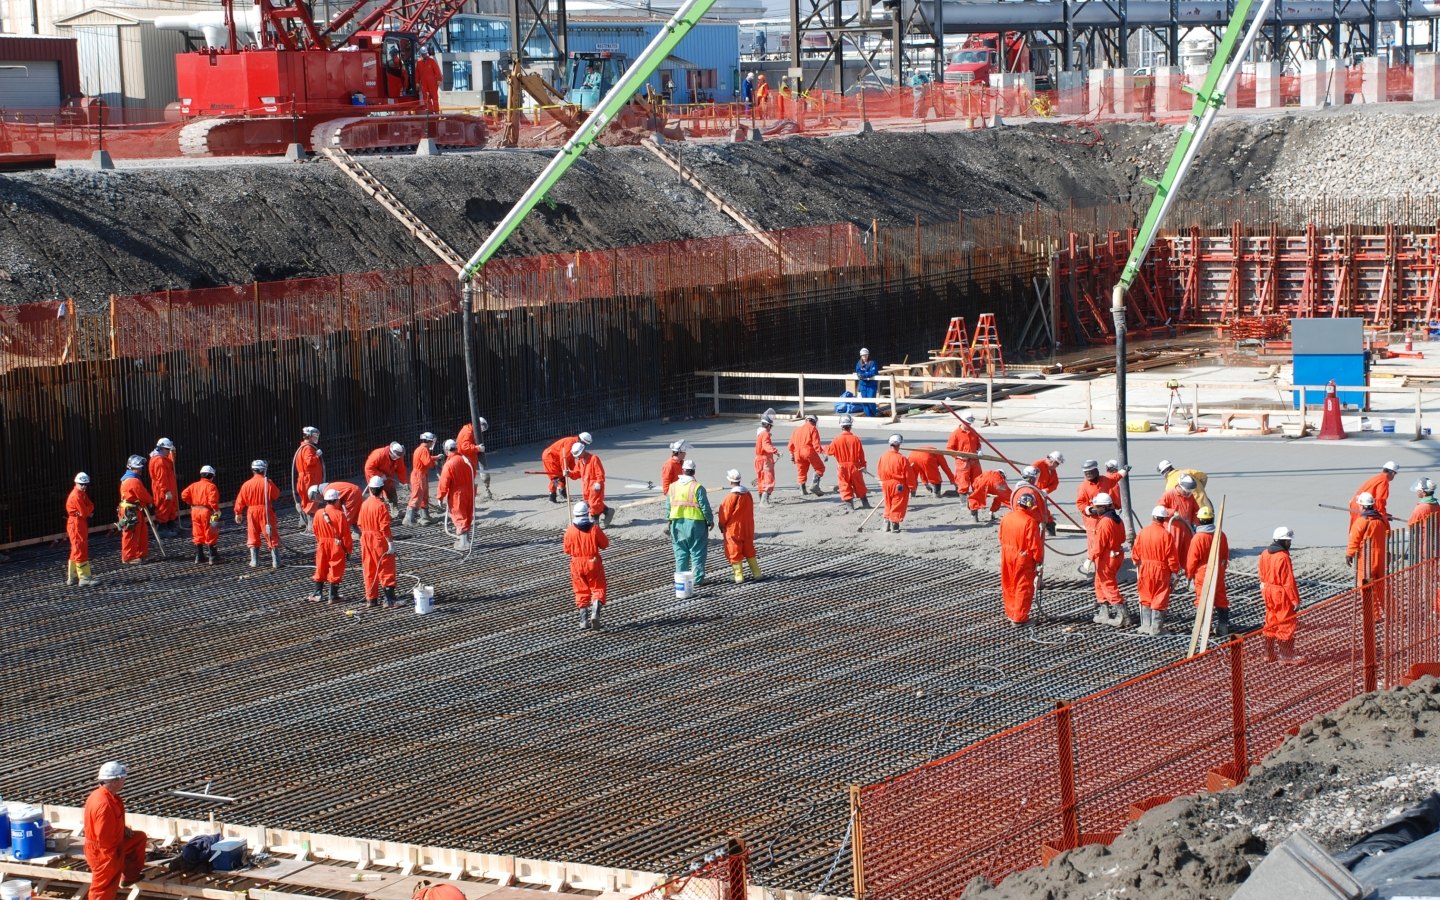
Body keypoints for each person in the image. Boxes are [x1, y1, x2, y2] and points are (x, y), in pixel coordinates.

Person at [84, 761, 148, 900]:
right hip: (104, 852)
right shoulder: (104, 804)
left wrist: (122, 829)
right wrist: (114, 857)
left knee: (139, 838)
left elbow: (108, 823)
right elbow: (104, 838)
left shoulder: (105, 796)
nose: (124, 781)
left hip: (110, 845)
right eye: (122, 778)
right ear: (114, 781)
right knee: (103, 888)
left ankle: (130, 876)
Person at [1260, 526, 1306, 664]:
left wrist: (1265, 590)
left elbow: (1261, 574)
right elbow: (1288, 581)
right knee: (1286, 622)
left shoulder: (1265, 553)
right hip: (1280, 593)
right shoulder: (1283, 557)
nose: (1290, 543)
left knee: (1271, 620)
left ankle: (1268, 654)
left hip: (1268, 591)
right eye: (1288, 541)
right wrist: (1295, 600)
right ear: (1283, 541)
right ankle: (1286, 656)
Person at [1131, 506, 1180, 636]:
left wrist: (1136, 561)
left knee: (1146, 595)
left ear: (1153, 517)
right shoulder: (1166, 535)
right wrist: (1174, 571)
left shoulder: (1143, 532)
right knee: (1160, 596)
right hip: (1160, 570)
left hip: (1145, 568)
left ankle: (1145, 626)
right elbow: (1172, 556)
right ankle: (1156, 629)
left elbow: (1135, 552)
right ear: (1164, 519)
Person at [667, 458, 714, 588]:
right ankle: (697, 578)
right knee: (697, 551)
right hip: (696, 524)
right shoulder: (697, 487)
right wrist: (710, 520)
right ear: (694, 471)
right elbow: (705, 507)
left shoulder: (673, 486)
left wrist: (669, 520)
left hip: (677, 523)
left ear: (683, 470)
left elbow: (668, 506)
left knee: (680, 552)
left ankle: (681, 578)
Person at [999, 493, 1045, 625]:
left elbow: (1001, 537)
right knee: (1023, 586)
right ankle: (1020, 618)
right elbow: (1035, 545)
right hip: (1022, 557)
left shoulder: (1006, 517)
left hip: (1006, 554)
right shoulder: (1029, 521)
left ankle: (1011, 613)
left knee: (1009, 583)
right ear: (1030, 506)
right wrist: (1038, 561)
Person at [564, 500, 610, 630]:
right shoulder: (594, 529)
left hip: (576, 564)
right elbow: (605, 544)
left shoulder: (570, 531)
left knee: (581, 591)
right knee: (598, 587)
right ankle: (595, 610)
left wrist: (570, 535)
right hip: (593, 562)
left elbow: (567, 550)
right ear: (587, 513)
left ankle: (583, 620)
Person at [1187, 505, 1231, 637]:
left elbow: (1192, 560)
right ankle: (1223, 627)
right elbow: (1225, 556)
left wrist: (1189, 575)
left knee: (1203, 601)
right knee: (1221, 599)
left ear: (1199, 520)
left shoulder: (1198, 538)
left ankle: (1204, 629)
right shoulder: (1221, 535)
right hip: (1218, 572)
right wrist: (1221, 570)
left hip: (1203, 574)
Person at [359, 475, 400, 609]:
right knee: (386, 567)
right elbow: (384, 528)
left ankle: (371, 599)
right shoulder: (381, 506)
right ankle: (390, 600)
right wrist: (390, 543)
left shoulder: (364, 504)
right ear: (382, 489)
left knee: (369, 569)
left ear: (370, 489)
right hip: (378, 540)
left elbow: (359, 524)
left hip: (365, 539)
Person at [1347, 491, 1389, 621]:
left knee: (1367, 587)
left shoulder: (1361, 522)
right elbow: (1388, 534)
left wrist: (1349, 554)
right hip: (1381, 558)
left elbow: (1354, 539)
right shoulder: (1382, 519)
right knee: (1381, 586)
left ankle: (1374, 615)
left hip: (1366, 559)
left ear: (1362, 506)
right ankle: (1390, 612)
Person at [1088, 493, 1128, 627]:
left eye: (1097, 507)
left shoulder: (1105, 522)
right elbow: (1123, 538)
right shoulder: (1117, 519)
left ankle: (1122, 615)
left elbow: (1099, 544)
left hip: (1107, 557)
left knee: (1107, 584)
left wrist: (1090, 557)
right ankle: (1104, 613)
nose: (1095, 509)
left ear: (1104, 507)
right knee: (1099, 582)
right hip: (1116, 554)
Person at [308, 489, 353, 604]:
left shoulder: (318, 513)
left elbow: (315, 530)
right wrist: (348, 550)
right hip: (336, 545)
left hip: (322, 544)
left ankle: (317, 593)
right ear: (336, 500)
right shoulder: (340, 515)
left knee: (321, 566)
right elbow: (346, 535)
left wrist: (320, 542)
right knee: (336, 568)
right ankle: (333, 596)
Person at [235, 459, 281, 569]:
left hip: (251, 512)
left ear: (253, 470)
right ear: (263, 470)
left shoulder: (246, 485)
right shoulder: (267, 482)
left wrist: (238, 513)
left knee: (253, 534)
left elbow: (240, 500)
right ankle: (276, 562)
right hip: (266, 511)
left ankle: (255, 561)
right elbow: (276, 495)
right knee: (271, 535)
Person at [718, 468, 761, 583]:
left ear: (730, 481)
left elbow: (725, 513)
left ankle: (738, 576)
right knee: (749, 548)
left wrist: (721, 524)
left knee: (734, 550)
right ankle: (757, 573)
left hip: (734, 528)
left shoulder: (731, 496)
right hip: (748, 526)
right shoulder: (747, 494)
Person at [1159, 473, 1200, 586]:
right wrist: (1172, 512)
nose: (1187, 494)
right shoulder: (1169, 495)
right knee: (1173, 555)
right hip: (1173, 530)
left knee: (1189, 554)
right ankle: (1171, 579)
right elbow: (1159, 509)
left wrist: (1197, 523)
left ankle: (1190, 578)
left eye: (1190, 492)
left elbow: (1195, 511)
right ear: (1180, 486)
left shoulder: (1190, 496)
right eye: (1186, 491)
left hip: (1187, 529)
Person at [824, 413, 869, 511]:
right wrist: (863, 466)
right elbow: (861, 455)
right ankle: (865, 504)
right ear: (850, 425)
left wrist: (825, 448)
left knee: (844, 485)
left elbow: (829, 451)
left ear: (841, 426)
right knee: (859, 485)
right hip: (855, 466)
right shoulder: (856, 439)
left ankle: (850, 507)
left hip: (842, 467)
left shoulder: (836, 439)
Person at [436, 439, 475, 550]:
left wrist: (440, 497)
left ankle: (464, 543)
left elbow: (444, 483)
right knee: (467, 515)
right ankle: (466, 539)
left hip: (457, 494)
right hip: (470, 491)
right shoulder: (466, 459)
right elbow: (474, 473)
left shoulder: (449, 464)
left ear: (446, 450)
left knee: (459, 516)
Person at [179, 465, 221, 566]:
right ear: (212, 476)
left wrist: (192, 503)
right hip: (207, 511)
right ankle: (213, 557)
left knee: (197, 532)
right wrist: (216, 511)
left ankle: (199, 556)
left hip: (195, 511)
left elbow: (184, 495)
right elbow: (212, 501)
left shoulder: (193, 485)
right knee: (211, 531)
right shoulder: (211, 486)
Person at [877, 434, 918, 532]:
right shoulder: (901, 458)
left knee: (888, 503)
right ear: (899, 444)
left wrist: (882, 481)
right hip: (898, 485)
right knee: (898, 504)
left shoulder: (883, 456)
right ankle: (894, 525)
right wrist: (912, 487)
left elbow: (879, 470)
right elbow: (909, 475)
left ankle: (886, 522)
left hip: (886, 484)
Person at [117, 455, 154, 565]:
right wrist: (151, 501)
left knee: (141, 531)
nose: (141, 469)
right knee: (131, 533)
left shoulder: (128, 479)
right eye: (139, 467)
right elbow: (142, 495)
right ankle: (128, 557)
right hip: (130, 511)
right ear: (133, 467)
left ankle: (140, 554)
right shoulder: (133, 481)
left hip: (134, 509)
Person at [569, 439, 613, 527]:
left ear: (583, 451)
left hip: (595, 486)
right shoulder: (580, 462)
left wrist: (599, 482)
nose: (577, 457)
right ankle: (608, 511)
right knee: (590, 504)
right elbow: (576, 474)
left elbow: (600, 472)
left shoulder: (594, 458)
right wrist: (569, 474)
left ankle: (595, 525)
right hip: (586, 486)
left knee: (594, 504)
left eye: (578, 455)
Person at [66, 472, 98, 586]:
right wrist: (87, 512)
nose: (84, 486)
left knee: (76, 549)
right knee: (80, 548)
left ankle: (73, 577)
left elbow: (90, 505)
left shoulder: (81, 493)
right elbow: (85, 512)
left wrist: (86, 511)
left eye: (86, 484)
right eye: (82, 484)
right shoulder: (76, 496)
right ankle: (84, 578)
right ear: (76, 483)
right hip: (76, 524)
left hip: (79, 523)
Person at [542, 431, 590, 503]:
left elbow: (570, 460)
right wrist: (565, 470)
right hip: (549, 457)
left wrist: (577, 472)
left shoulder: (574, 444)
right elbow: (564, 458)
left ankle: (562, 493)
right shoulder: (570, 443)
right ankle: (553, 495)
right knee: (556, 478)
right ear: (581, 441)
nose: (584, 446)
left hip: (556, 458)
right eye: (585, 444)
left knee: (560, 477)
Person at [787, 414, 827, 496]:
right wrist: (823, 453)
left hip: (797, 453)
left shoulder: (797, 430)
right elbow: (816, 444)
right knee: (820, 468)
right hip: (808, 451)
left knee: (801, 471)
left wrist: (792, 454)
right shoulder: (813, 428)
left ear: (806, 420)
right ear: (814, 421)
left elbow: (790, 445)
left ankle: (802, 489)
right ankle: (814, 485)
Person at [405, 432, 438, 526]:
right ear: (429, 441)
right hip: (418, 475)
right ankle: (408, 519)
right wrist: (434, 463)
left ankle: (425, 517)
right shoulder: (423, 450)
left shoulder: (422, 449)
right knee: (416, 496)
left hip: (422, 474)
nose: (432, 443)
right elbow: (427, 463)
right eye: (432, 441)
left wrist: (435, 457)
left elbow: (426, 459)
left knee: (424, 496)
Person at [148, 438, 179, 537]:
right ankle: (162, 529)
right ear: (160, 448)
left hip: (168, 487)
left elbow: (170, 462)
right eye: (167, 449)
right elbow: (161, 478)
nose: (168, 451)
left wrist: (173, 453)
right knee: (163, 507)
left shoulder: (162, 458)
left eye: (169, 449)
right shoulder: (159, 461)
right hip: (163, 489)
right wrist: (166, 491)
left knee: (170, 507)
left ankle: (170, 525)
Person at [293, 426, 324, 522]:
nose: (316, 437)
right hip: (310, 478)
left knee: (306, 500)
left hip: (304, 478)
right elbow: (309, 461)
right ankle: (311, 524)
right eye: (314, 435)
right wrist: (317, 455)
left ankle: (303, 521)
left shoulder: (302, 447)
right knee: (312, 499)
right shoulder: (308, 448)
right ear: (310, 436)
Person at [1013, 466, 1055, 536]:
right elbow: (1039, 509)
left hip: (1016, 519)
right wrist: (1047, 521)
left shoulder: (1017, 489)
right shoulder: (1032, 492)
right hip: (1030, 522)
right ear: (1031, 478)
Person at [945, 413, 981, 494]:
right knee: (963, 482)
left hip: (974, 460)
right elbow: (949, 449)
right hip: (962, 462)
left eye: (970, 423)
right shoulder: (955, 434)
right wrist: (959, 456)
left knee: (978, 481)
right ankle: (963, 500)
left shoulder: (973, 432)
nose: (969, 425)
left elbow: (978, 444)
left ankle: (977, 500)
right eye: (967, 423)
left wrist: (979, 450)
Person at [364, 442, 408, 507]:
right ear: (390, 452)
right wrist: (380, 475)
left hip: (388, 475)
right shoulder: (378, 455)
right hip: (374, 476)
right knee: (377, 495)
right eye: (395, 457)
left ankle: (394, 507)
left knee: (391, 491)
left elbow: (401, 470)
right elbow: (368, 468)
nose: (397, 458)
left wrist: (404, 482)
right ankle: (378, 507)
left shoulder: (399, 456)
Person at [456, 418, 490, 497]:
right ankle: (468, 495)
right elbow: (465, 447)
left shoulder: (469, 430)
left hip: (467, 458)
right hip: (465, 459)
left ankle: (470, 494)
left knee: (469, 478)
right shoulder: (468, 432)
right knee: (468, 478)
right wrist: (477, 448)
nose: (481, 432)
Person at [753, 410, 779, 505]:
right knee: (769, 479)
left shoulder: (760, 433)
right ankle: (764, 500)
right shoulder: (765, 434)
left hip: (758, 459)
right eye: (771, 426)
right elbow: (766, 446)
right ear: (768, 425)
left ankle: (761, 498)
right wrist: (775, 451)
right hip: (765, 459)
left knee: (761, 479)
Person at [854, 348, 879, 417]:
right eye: (863, 355)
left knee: (870, 400)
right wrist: (862, 375)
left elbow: (873, 372)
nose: (864, 357)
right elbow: (858, 372)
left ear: (868, 355)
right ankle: (868, 415)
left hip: (871, 385)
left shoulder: (872, 363)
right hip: (863, 385)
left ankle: (873, 415)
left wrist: (864, 375)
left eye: (865, 355)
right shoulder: (859, 363)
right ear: (861, 356)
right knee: (864, 401)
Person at [415, 46, 442, 112]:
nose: (424, 55)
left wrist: (439, 79)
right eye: (423, 54)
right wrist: (417, 82)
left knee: (434, 97)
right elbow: (417, 73)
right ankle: (430, 112)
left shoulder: (431, 61)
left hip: (432, 83)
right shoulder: (419, 63)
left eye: (425, 54)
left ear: (426, 53)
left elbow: (437, 71)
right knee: (426, 98)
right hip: (424, 83)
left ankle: (436, 111)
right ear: (421, 54)